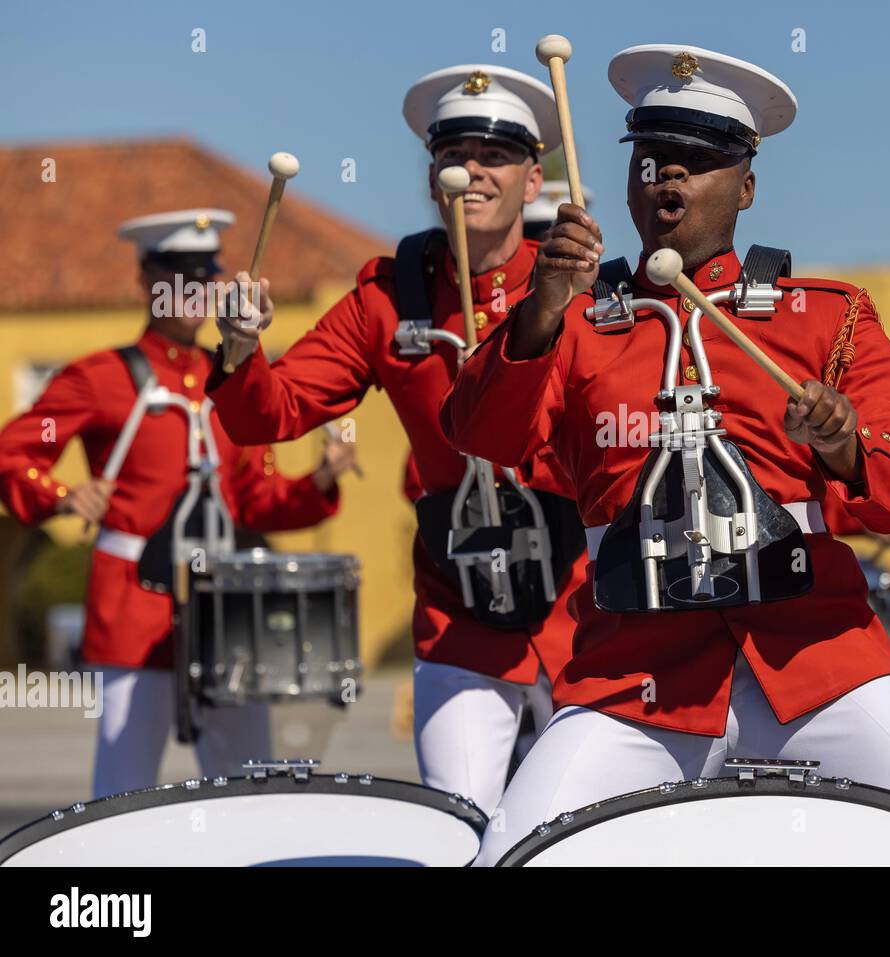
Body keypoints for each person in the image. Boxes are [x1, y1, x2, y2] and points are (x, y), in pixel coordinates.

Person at [442, 44, 890, 866]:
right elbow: (480, 436)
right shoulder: (572, 323)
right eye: (652, 161)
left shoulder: (827, 318)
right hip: (634, 678)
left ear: (746, 188)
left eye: (700, 163)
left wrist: (845, 444)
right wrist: (538, 309)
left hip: (815, 663)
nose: (668, 178)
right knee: (507, 859)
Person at [206, 65, 584, 817]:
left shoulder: (581, 284)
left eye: (497, 152)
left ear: (534, 177)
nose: (473, 169)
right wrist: (242, 349)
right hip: (460, 612)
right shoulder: (387, 297)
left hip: (585, 610)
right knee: (462, 823)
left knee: (586, 833)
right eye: (455, 152)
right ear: (431, 174)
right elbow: (267, 415)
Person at [0, 208, 350, 799]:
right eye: (178, 281)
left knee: (247, 787)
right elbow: (14, 454)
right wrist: (62, 497)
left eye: (204, 281)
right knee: (123, 791)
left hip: (226, 613)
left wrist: (318, 480)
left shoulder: (233, 382)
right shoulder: (99, 377)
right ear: (146, 283)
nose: (194, 295)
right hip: (135, 608)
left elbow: (256, 504)